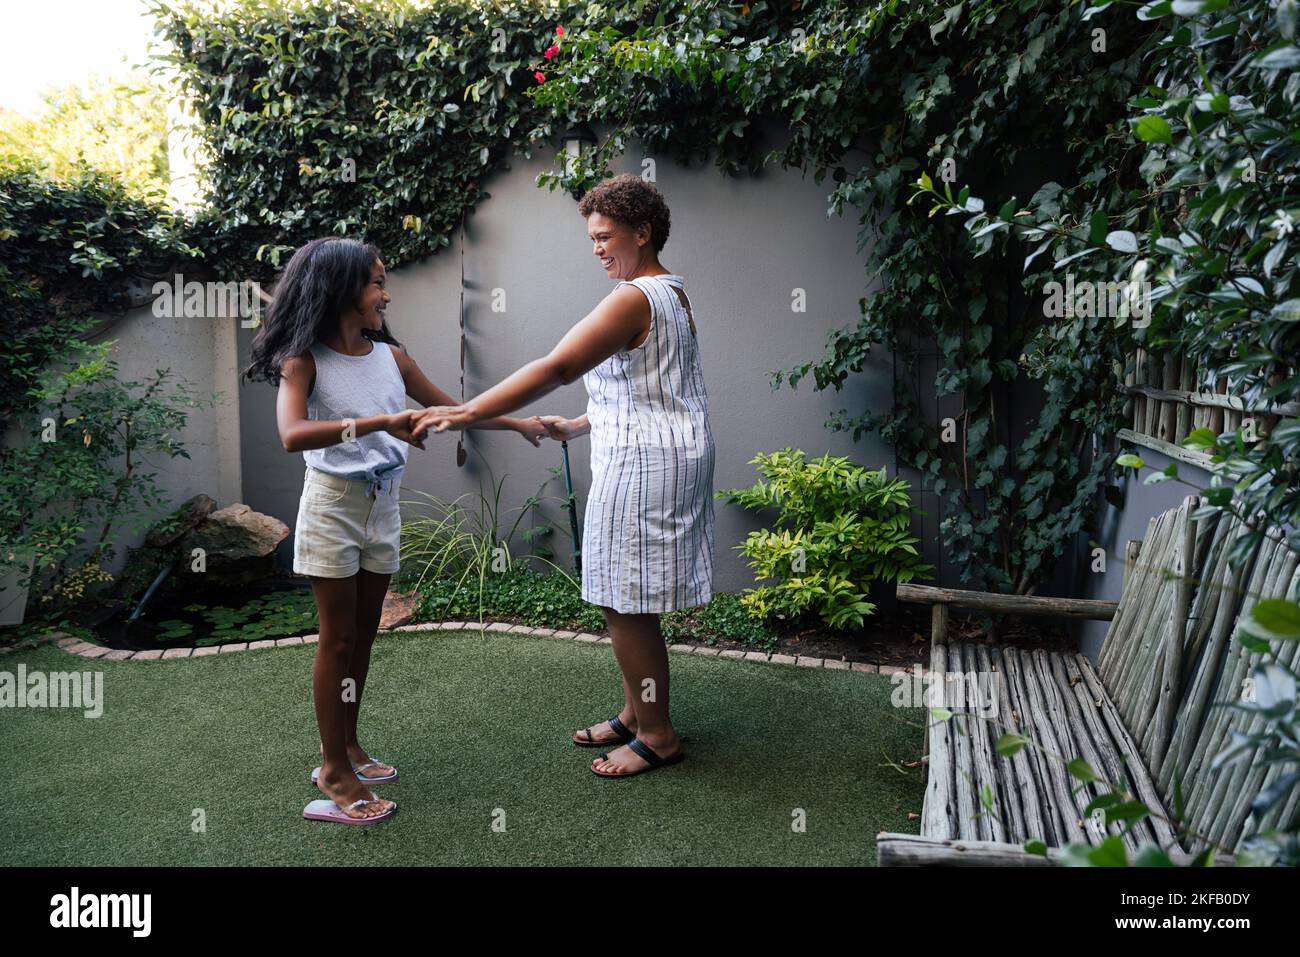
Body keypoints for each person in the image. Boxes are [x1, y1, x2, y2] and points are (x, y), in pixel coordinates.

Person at [419, 174, 715, 778]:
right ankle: (637, 713)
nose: (598, 248)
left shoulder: (634, 298)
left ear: (643, 232)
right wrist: (579, 424)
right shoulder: (672, 292)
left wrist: (472, 410)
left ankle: (657, 734)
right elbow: (654, 387)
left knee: (625, 601)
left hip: (645, 466)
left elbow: (557, 363)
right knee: (626, 594)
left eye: (606, 236)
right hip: (652, 453)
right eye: (592, 239)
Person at [244, 236, 547, 823]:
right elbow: (292, 434)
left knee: (364, 634)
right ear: (340, 290)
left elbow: (454, 409)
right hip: (333, 505)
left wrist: (524, 423)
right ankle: (333, 768)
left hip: (383, 504)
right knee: (337, 639)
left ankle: (349, 746)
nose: (386, 294)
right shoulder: (304, 359)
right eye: (377, 283)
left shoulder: (392, 356)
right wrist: (384, 421)